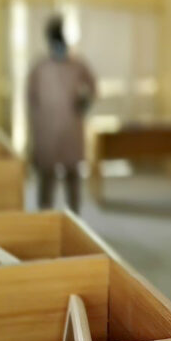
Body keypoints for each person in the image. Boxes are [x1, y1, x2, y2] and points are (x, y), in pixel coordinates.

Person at [28, 16, 96, 212]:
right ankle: (45, 213)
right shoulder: (40, 67)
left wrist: (84, 103)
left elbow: (92, 87)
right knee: (46, 176)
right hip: (46, 130)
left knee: (72, 175)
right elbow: (30, 101)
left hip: (71, 127)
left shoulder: (77, 65)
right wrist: (33, 131)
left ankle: (74, 215)